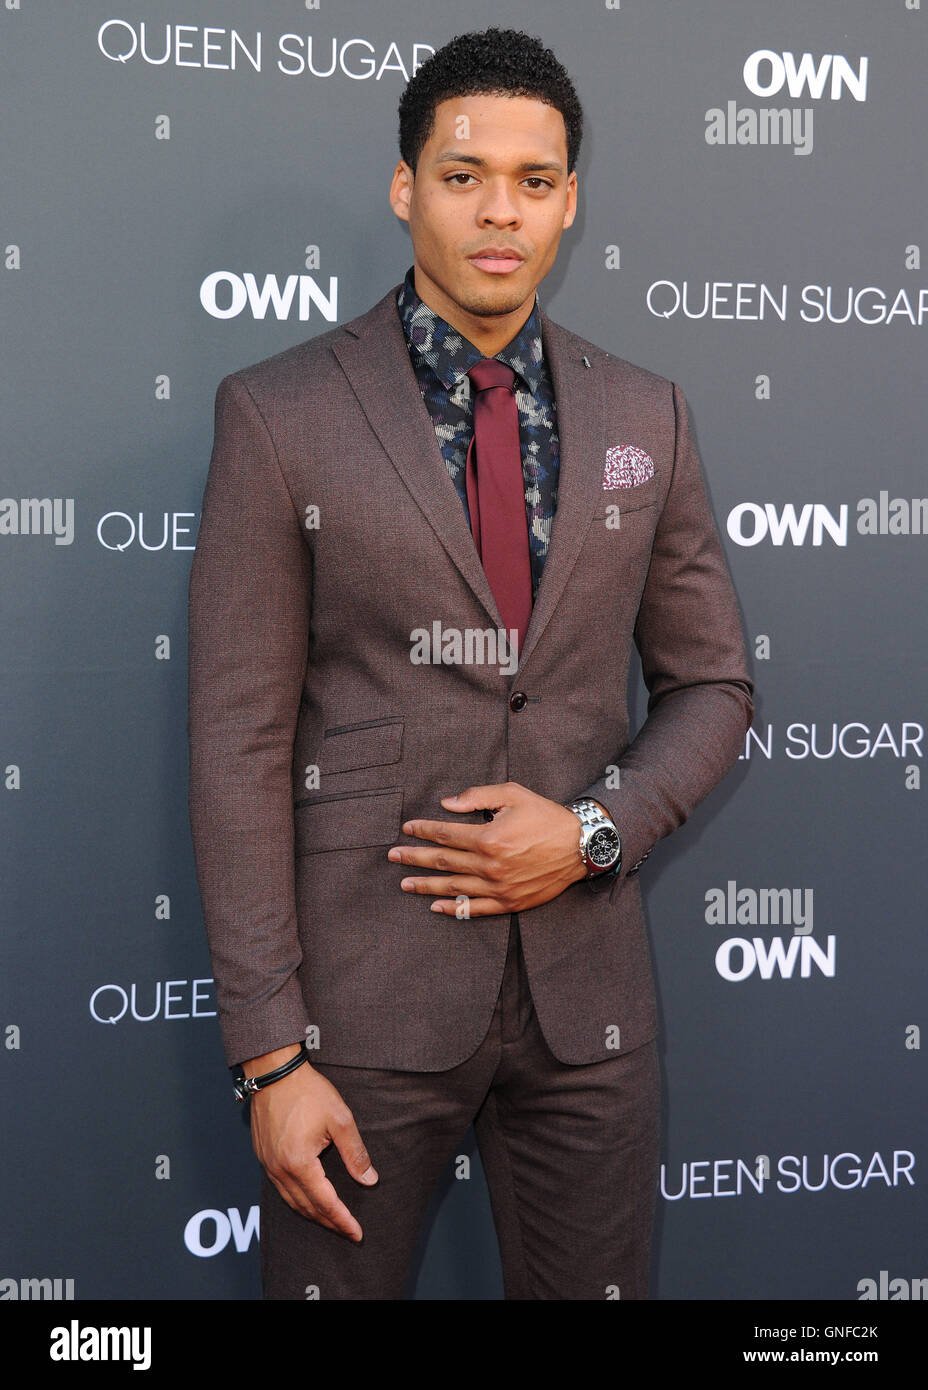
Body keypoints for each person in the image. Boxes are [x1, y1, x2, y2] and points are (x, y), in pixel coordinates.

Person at [187, 26, 754, 1300]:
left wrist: (595, 831)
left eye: (533, 180)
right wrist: (271, 1057)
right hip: (356, 1012)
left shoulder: (647, 413)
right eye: (463, 175)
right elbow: (237, 742)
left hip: (588, 1007)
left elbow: (713, 686)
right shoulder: (278, 413)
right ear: (406, 188)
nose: (501, 210)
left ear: (570, 201)